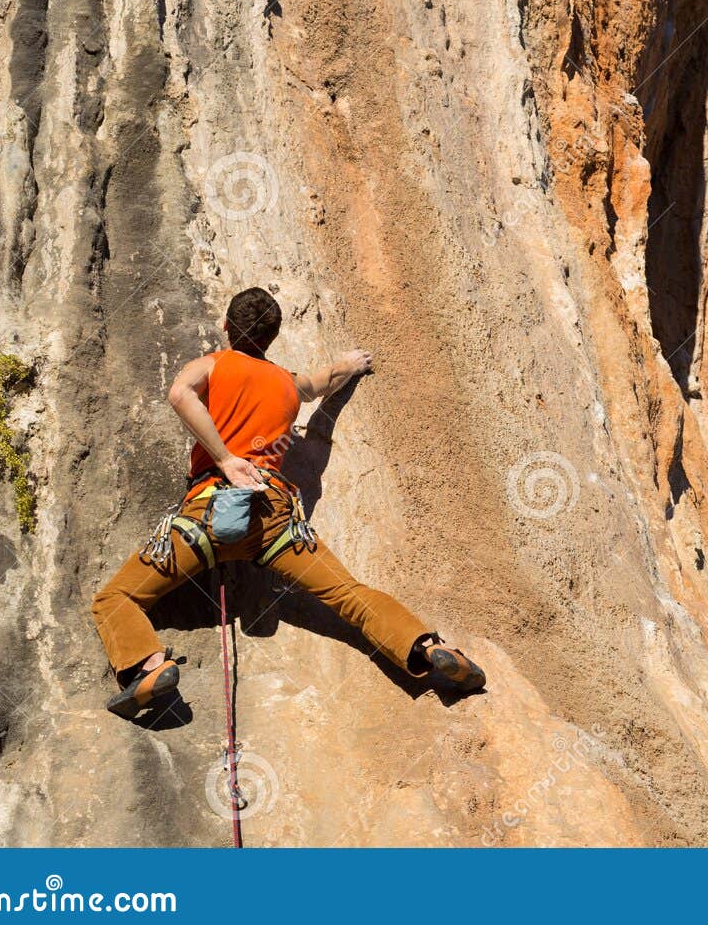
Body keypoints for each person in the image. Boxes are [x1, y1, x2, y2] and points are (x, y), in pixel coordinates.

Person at [90, 287, 483, 718]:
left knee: (117, 599)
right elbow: (321, 385)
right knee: (349, 594)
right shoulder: (286, 382)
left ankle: (148, 667)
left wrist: (224, 458)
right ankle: (427, 647)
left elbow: (180, 393)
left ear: (225, 326)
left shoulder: (214, 364)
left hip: (208, 511)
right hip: (274, 518)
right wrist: (351, 365)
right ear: (272, 339)